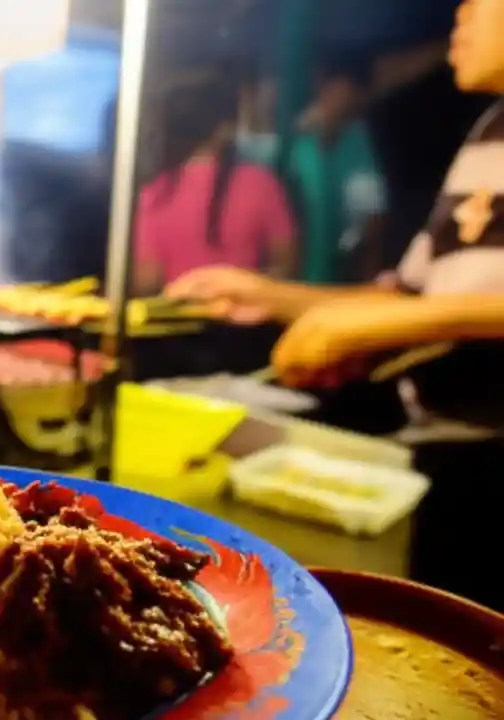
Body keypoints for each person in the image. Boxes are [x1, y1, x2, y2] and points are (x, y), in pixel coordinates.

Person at [167, 0, 504, 609]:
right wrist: (272, 296)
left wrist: (357, 329)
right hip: (444, 460)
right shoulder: (488, 134)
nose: (462, 13)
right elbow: (407, 296)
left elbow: (409, 315)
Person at [134, 78, 298, 296]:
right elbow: (287, 265)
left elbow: (148, 279)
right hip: (250, 324)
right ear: (224, 129)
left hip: (175, 323)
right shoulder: (261, 184)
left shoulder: (154, 193)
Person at [287, 59, 388, 284]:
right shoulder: (292, 140)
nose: (349, 100)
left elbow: (373, 219)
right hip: (294, 275)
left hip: (337, 280)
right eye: (336, 90)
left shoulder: (357, 140)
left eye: (355, 94)